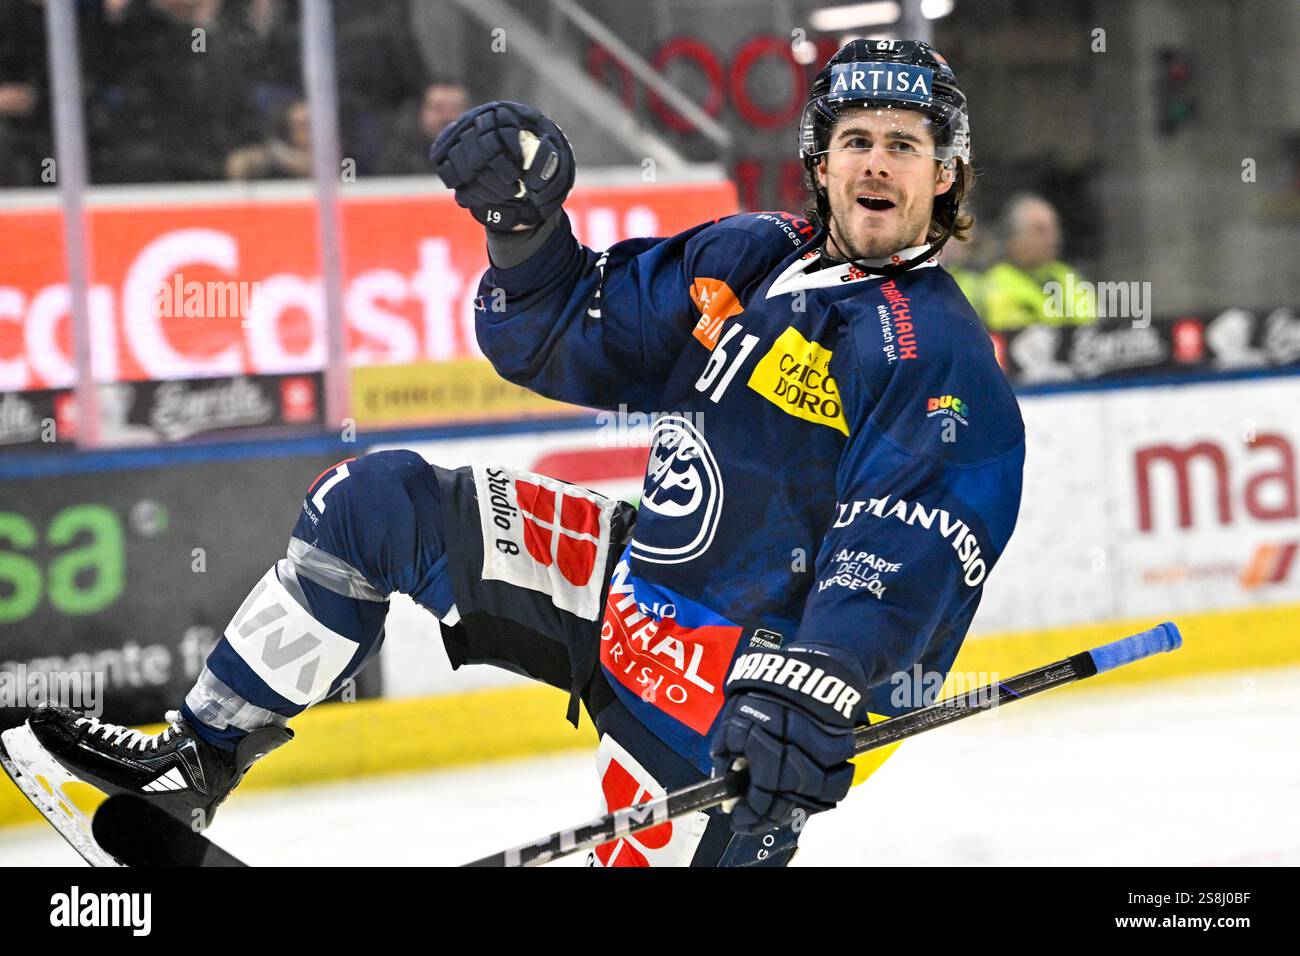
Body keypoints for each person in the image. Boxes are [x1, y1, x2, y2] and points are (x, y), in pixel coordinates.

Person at [13, 40, 1025, 867]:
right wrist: (525, 234)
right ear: (820, 161)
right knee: (373, 504)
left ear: (944, 175)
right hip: (630, 588)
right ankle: (191, 765)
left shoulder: (933, 350)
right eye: (854, 139)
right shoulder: (751, 256)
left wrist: (815, 681)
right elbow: (564, 332)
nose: (876, 163)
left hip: (737, 692)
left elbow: (908, 540)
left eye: (904, 143)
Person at [981, 192, 1095, 330]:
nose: (1052, 239)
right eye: (1040, 231)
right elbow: (1016, 336)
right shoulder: (996, 285)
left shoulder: (1066, 275)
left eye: (1055, 230)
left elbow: (1093, 325)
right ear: (1014, 238)